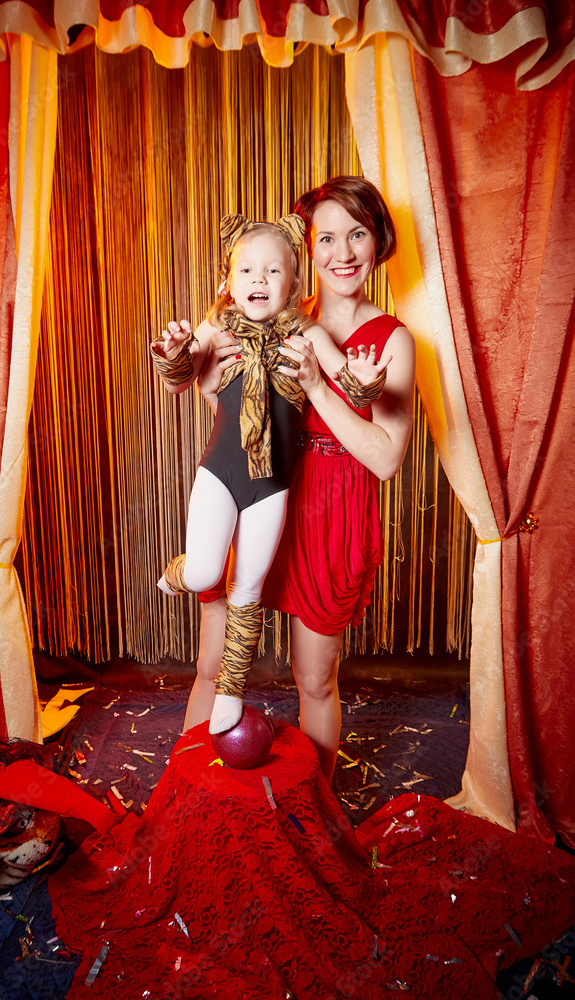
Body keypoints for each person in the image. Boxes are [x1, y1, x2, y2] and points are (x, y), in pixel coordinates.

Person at [183, 178, 415, 780]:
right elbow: (227, 403)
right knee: (213, 664)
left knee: (313, 678)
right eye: (327, 238)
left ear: (378, 241)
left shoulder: (391, 339)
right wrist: (205, 375)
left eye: (358, 234)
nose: (343, 253)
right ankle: (186, 803)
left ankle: (318, 812)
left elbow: (386, 458)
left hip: (327, 515)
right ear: (305, 248)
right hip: (256, 490)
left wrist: (317, 384)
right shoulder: (271, 305)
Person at [151, 211, 388, 735]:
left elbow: (348, 384)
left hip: (271, 488)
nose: (259, 279)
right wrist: (173, 354)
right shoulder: (219, 325)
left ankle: (231, 691)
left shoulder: (307, 332)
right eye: (247, 271)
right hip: (219, 474)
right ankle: (178, 574)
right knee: (207, 574)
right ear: (230, 282)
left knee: (248, 591)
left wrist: (366, 379)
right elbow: (182, 376)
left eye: (273, 271)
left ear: (293, 283)